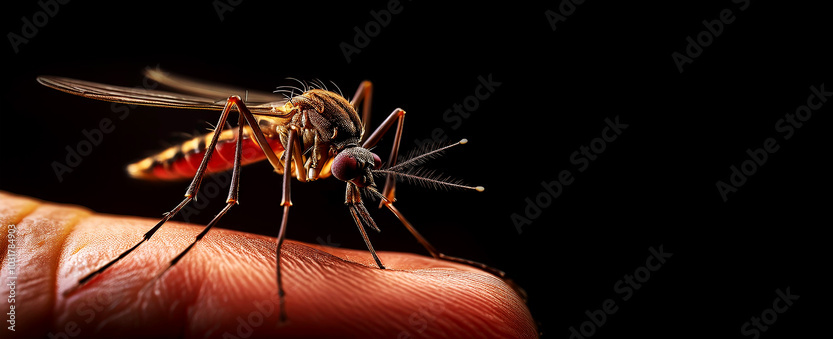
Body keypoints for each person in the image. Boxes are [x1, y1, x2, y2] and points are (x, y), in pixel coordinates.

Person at [0, 191, 536, 338]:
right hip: (243, 133)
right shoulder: (302, 141)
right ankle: (198, 202)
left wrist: (379, 193)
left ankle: (437, 257)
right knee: (237, 108)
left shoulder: (350, 152)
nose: (360, 187)